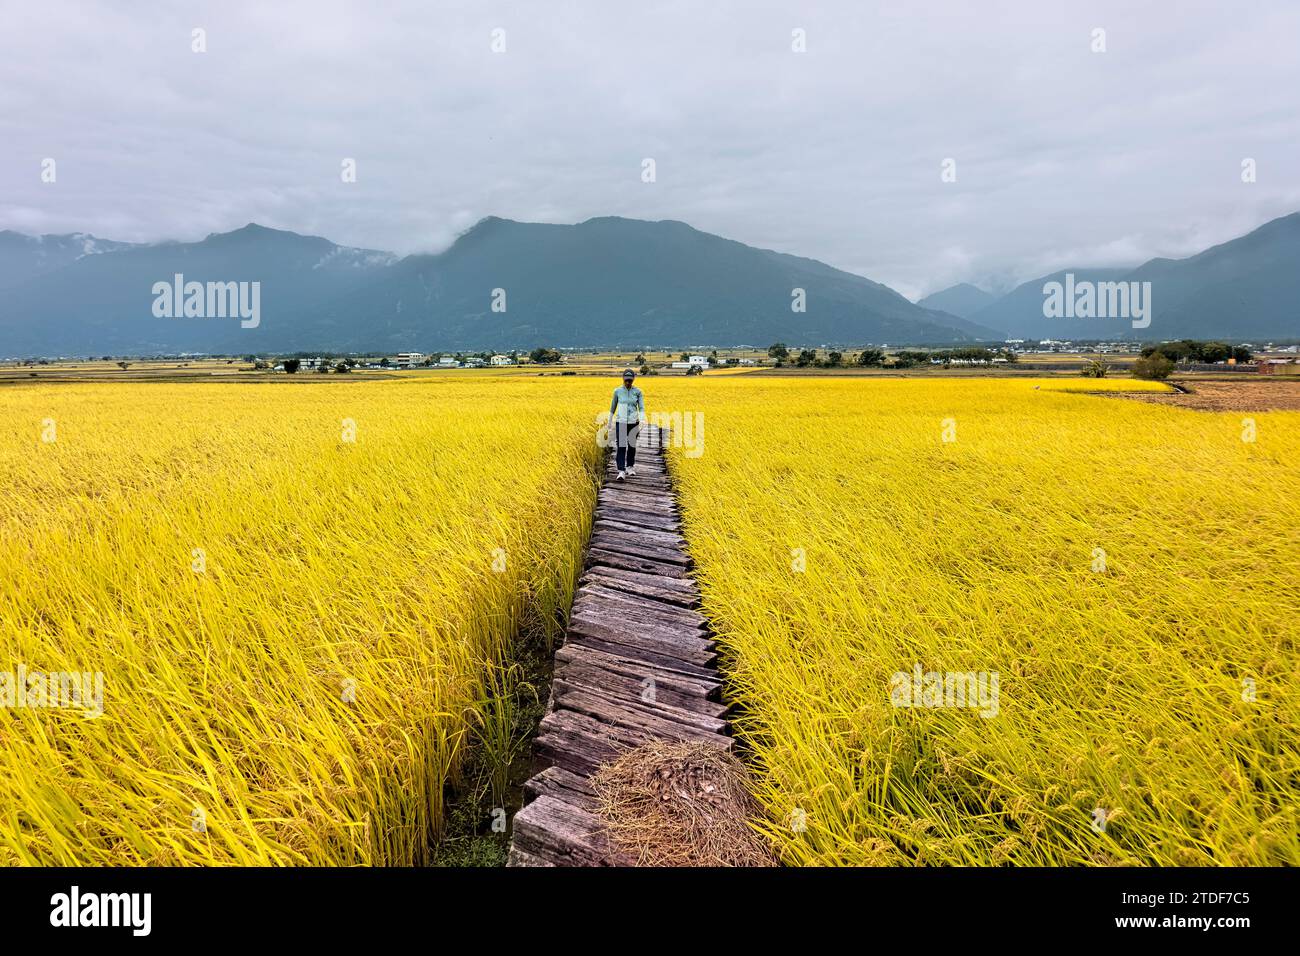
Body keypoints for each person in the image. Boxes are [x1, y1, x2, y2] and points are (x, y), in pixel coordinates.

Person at [609, 368, 644, 480]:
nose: (628, 382)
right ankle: (621, 470)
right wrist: (610, 421)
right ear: (623, 379)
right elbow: (613, 407)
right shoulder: (617, 391)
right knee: (621, 446)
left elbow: (641, 407)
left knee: (632, 445)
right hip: (621, 422)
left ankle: (630, 467)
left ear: (633, 379)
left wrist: (642, 420)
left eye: (630, 380)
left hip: (634, 422)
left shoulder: (638, 392)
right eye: (626, 380)